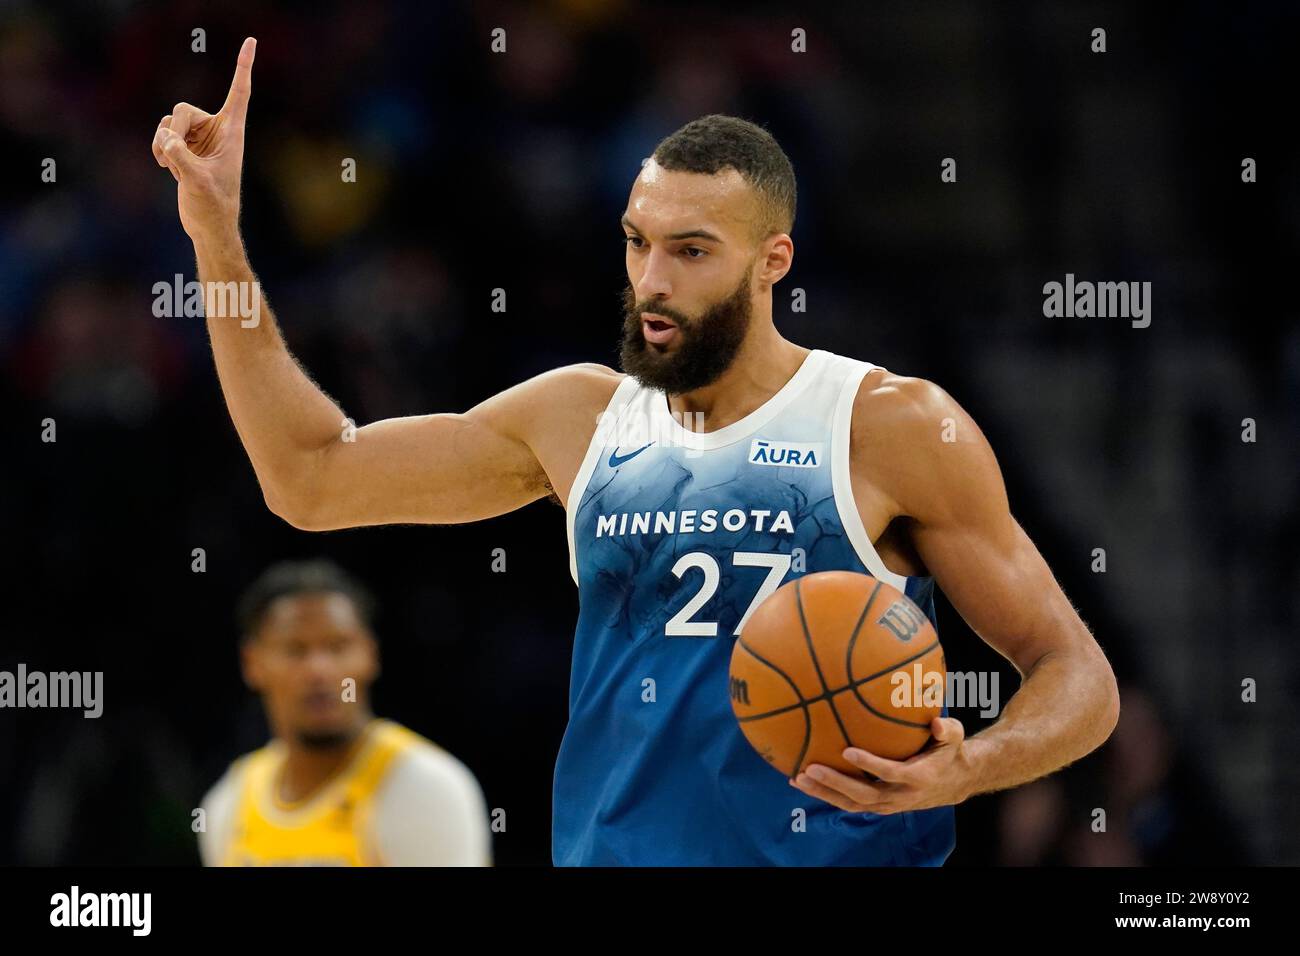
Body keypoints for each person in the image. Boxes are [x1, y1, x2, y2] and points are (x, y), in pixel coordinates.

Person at [157, 38, 1119, 865]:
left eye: (691, 251)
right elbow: (311, 478)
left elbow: (1077, 676)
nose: (652, 280)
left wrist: (969, 765)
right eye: (636, 242)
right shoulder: (579, 418)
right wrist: (215, 235)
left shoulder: (888, 424)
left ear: (773, 261)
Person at [199, 559, 491, 866]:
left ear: (369, 654)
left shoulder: (424, 789)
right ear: (252, 662)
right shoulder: (228, 804)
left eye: (338, 647)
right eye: (296, 650)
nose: (319, 670)